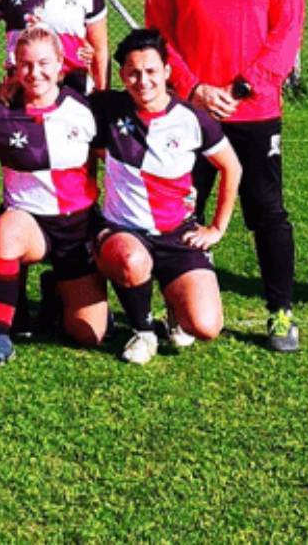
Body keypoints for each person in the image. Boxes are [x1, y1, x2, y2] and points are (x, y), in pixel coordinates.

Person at [144, 0, 305, 352]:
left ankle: (280, 314)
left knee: (266, 212)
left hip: (251, 111)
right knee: (177, 212)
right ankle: (177, 309)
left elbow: (287, 32)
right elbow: (159, 33)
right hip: (190, 112)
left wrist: (239, 89)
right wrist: (193, 90)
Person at [92, 28, 242, 365]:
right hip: (124, 230)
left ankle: (175, 305)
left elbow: (232, 168)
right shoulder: (109, 108)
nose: (142, 80)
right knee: (131, 260)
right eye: (133, 72)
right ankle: (143, 330)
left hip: (177, 232)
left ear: (167, 72)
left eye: (151, 71)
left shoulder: (192, 119)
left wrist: (217, 228)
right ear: (122, 75)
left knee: (205, 327)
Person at [0, 26, 105, 368]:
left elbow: (108, 161)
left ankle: (56, 290)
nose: (35, 73)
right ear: (15, 67)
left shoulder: (83, 107)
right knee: (6, 233)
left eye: (44, 63)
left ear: (62, 64)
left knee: (88, 334)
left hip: (77, 227)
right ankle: (0, 335)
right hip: (29, 222)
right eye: (26, 64)